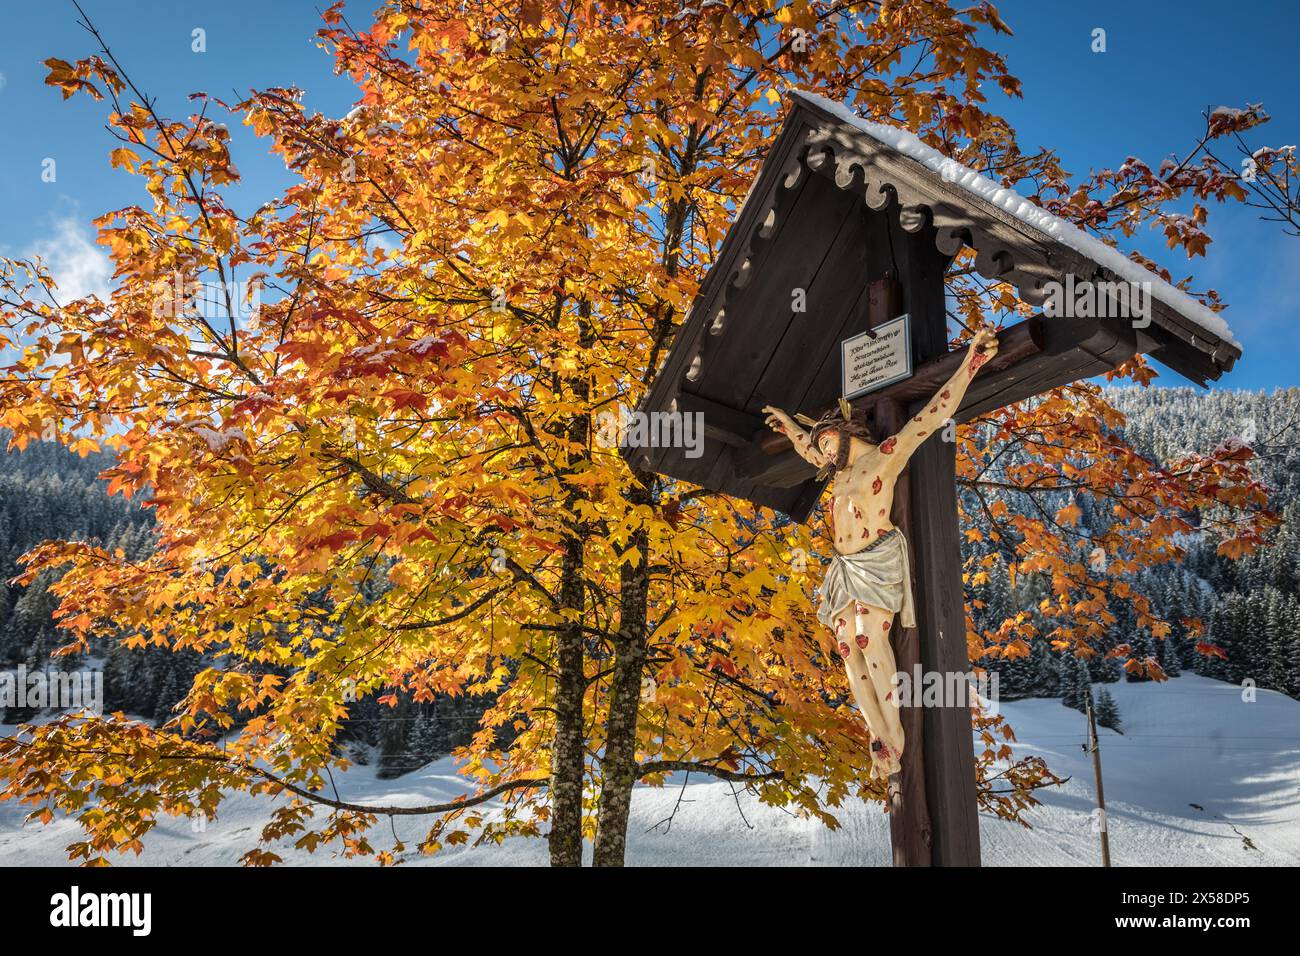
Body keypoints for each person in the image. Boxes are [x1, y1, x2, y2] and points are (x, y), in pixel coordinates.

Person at [762, 327, 999, 779]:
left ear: (848, 434)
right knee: (848, 645)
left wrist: (971, 363)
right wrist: (790, 426)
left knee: (872, 645)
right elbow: (804, 446)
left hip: (875, 560)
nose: (822, 453)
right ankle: (876, 734)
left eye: (827, 443)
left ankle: (895, 733)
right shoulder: (835, 470)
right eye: (821, 448)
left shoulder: (883, 459)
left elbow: (930, 417)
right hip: (843, 566)